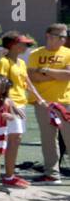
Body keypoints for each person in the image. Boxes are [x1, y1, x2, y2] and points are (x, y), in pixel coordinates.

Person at [0, 32, 44, 188]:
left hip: (21, 104)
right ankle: (8, 176)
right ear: (12, 45)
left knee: (15, 139)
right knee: (10, 139)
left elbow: (27, 83)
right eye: (23, 44)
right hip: (9, 105)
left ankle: (9, 174)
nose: (26, 46)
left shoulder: (21, 62)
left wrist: (39, 98)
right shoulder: (3, 62)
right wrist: (8, 103)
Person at [27, 23, 70, 183]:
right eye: (62, 36)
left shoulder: (68, 53)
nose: (65, 39)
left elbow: (69, 75)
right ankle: (52, 174)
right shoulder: (36, 54)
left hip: (65, 102)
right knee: (48, 140)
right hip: (43, 103)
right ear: (50, 36)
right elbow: (33, 76)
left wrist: (46, 70)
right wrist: (59, 74)